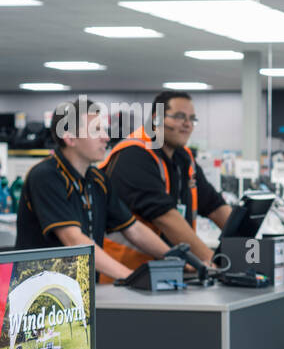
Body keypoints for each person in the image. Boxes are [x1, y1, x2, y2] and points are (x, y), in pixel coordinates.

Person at [15, 97, 169, 280]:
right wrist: (130, 276)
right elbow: (74, 240)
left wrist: (176, 257)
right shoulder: (46, 176)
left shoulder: (97, 180)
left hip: (81, 293)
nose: (106, 137)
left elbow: (133, 229)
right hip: (41, 296)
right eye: (96, 130)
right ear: (70, 138)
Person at [101, 90, 231, 267]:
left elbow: (214, 206)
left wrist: (247, 247)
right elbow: (164, 217)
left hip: (169, 269)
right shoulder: (133, 155)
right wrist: (210, 260)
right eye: (179, 116)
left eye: (192, 119)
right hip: (128, 273)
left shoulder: (184, 158)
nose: (187, 124)